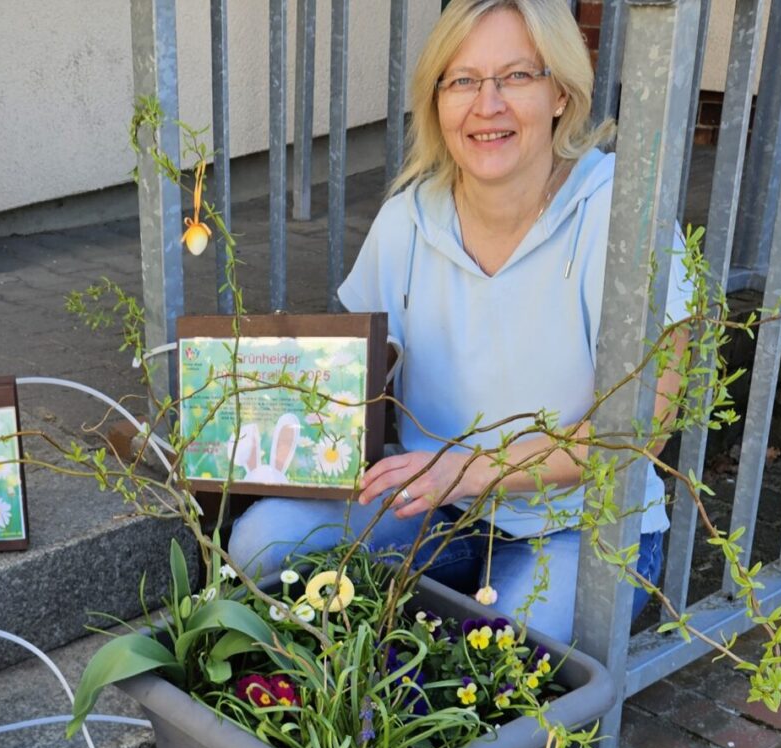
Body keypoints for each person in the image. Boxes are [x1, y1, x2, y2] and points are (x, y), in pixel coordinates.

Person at [228, 0, 690, 643]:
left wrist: (467, 467)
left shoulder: (620, 215)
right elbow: (358, 382)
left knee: (495, 662)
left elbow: (640, 431)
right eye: (463, 80)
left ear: (561, 91)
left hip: (580, 524)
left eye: (517, 77)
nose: (487, 104)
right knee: (259, 544)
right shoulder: (409, 219)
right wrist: (251, 413)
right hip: (437, 504)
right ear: (438, 101)